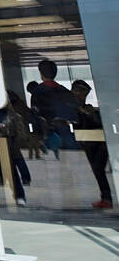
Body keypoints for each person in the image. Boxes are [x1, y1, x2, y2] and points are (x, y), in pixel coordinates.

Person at [71, 79, 113, 209]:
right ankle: (105, 198)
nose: (77, 95)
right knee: (97, 170)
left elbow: (98, 123)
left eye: (80, 92)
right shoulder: (75, 108)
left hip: (98, 143)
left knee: (98, 169)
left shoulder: (87, 109)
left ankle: (106, 198)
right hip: (88, 143)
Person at [30, 59, 80, 155]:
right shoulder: (65, 91)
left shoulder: (37, 92)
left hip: (48, 136)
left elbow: (35, 116)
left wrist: (37, 135)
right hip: (67, 134)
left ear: (41, 73)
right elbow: (75, 114)